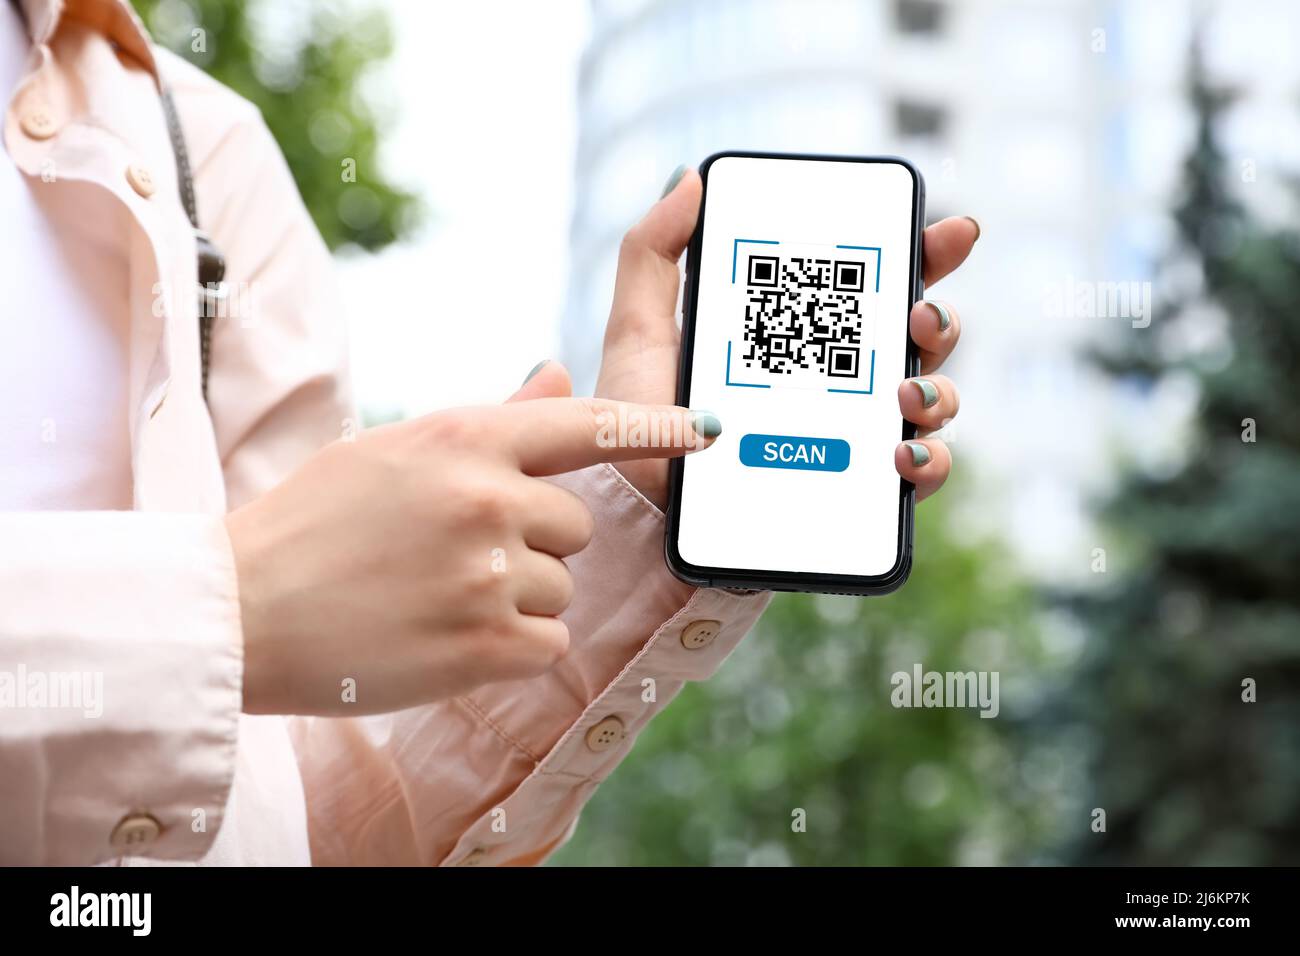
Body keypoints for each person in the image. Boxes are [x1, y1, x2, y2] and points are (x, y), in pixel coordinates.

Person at [0, 0, 974, 866]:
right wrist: (228, 606)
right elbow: (245, 612)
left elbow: (301, 827)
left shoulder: (201, 157)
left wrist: (634, 510)